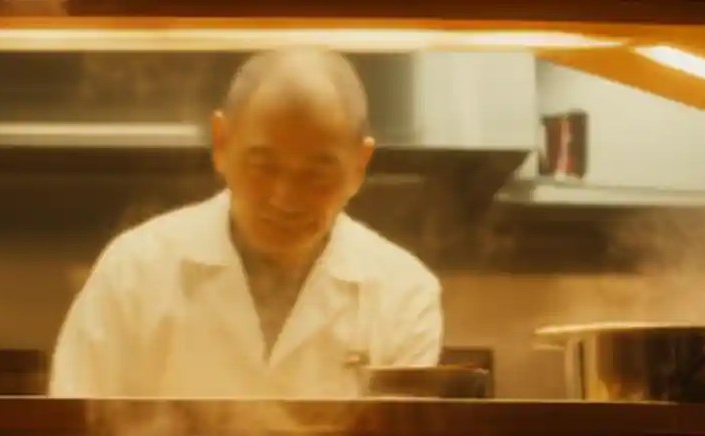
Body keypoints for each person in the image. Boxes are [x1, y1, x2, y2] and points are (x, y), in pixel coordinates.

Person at [49, 46, 443, 398]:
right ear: (221, 142)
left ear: (360, 165)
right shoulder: (133, 272)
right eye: (263, 165)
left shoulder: (404, 294)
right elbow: (78, 430)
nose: (285, 197)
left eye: (317, 173)